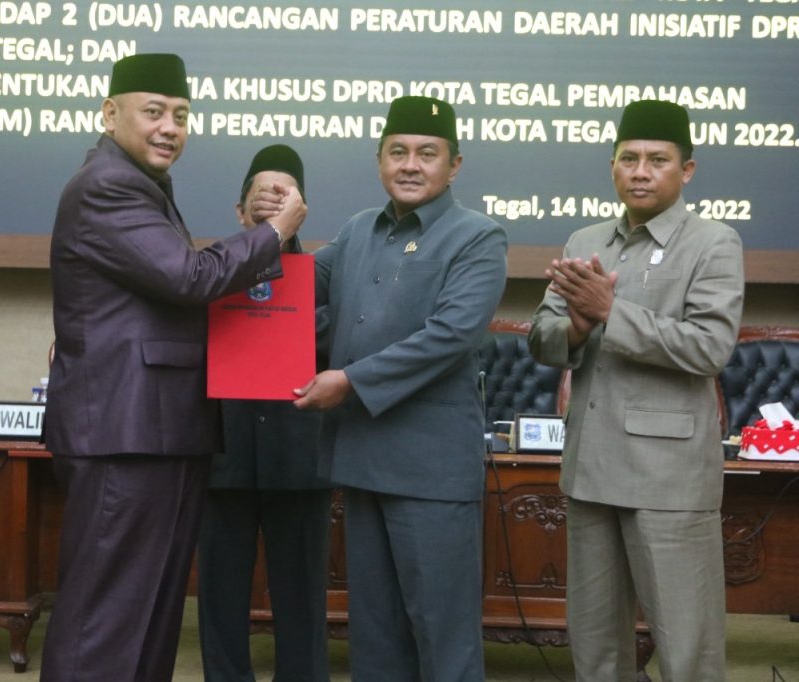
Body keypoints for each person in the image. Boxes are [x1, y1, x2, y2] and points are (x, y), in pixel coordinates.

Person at [42, 54, 307, 682]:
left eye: (181, 115)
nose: (170, 128)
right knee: (105, 623)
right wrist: (274, 233)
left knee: (149, 617)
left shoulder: (140, 184)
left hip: (155, 430)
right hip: (125, 432)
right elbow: (188, 277)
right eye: (154, 112)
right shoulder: (109, 184)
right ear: (110, 114)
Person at [290, 96, 508, 681]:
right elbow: (300, 292)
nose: (411, 165)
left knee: (443, 638)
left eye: (427, 154)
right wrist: (276, 237)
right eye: (398, 152)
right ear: (380, 159)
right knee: (376, 639)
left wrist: (349, 381)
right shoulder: (359, 229)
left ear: (454, 165)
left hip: (430, 470)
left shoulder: (478, 237)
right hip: (362, 460)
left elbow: (451, 336)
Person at [528, 100, 744, 682]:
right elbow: (542, 338)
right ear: (613, 166)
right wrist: (574, 325)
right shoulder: (586, 237)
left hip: (667, 476)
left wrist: (607, 312)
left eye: (657, 159)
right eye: (629, 159)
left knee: (686, 651)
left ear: (687, 170)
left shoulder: (714, 242)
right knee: (596, 648)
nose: (641, 171)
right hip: (591, 466)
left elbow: (709, 348)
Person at [196, 145, 332, 682]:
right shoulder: (208, 270)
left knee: (302, 605)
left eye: (285, 193)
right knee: (220, 602)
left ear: (302, 207)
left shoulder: (323, 274)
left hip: (299, 462)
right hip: (223, 459)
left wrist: (293, 326)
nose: (273, 201)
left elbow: (339, 346)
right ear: (238, 211)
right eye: (261, 194)